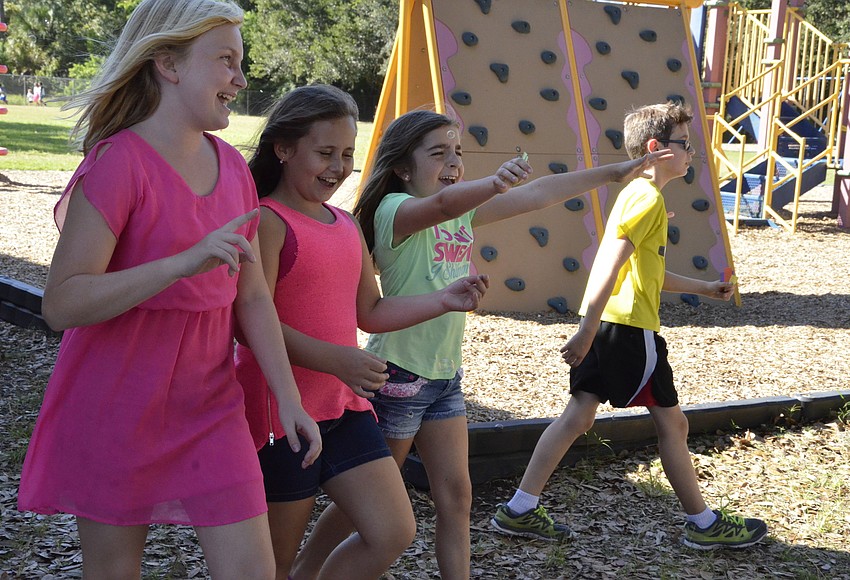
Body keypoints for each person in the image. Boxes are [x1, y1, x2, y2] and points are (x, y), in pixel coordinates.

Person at [295, 109, 670, 579]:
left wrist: (611, 173)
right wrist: (495, 183)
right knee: (365, 503)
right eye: (439, 153)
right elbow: (443, 206)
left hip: (444, 379)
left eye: (458, 153)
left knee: (457, 496)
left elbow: (535, 195)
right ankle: (304, 572)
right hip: (397, 377)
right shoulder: (395, 209)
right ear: (402, 168)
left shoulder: (462, 209)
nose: (453, 161)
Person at [16, 0, 321, 577]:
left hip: (210, 406)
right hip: (114, 406)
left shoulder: (234, 169)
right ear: (168, 64)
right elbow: (62, 303)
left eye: (241, 61)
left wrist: (288, 397)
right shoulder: (117, 163)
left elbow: (252, 297)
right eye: (226, 60)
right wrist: (180, 265)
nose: (241, 77)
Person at [236, 84, 490, 580]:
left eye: (348, 154)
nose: (338, 165)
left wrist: (444, 298)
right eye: (325, 152)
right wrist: (336, 360)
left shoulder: (347, 224)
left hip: (344, 407)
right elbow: (250, 324)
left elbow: (369, 313)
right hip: (280, 410)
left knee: (393, 531)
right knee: (275, 561)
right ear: (283, 149)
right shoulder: (267, 220)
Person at [490, 102, 768, 550]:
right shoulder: (647, 197)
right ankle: (702, 523)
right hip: (630, 331)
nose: (691, 152)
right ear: (657, 149)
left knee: (577, 417)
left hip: (612, 327)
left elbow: (647, 271)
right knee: (672, 425)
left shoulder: (637, 196)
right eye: (684, 144)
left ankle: (519, 508)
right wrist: (585, 327)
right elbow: (609, 263)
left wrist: (703, 288)